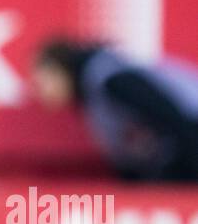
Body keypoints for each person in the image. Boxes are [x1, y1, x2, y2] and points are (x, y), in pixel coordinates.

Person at [33, 38, 198, 182]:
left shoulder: (111, 79)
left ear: (59, 70)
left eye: (43, 83)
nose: (42, 93)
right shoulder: (93, 96)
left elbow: (174, 117)